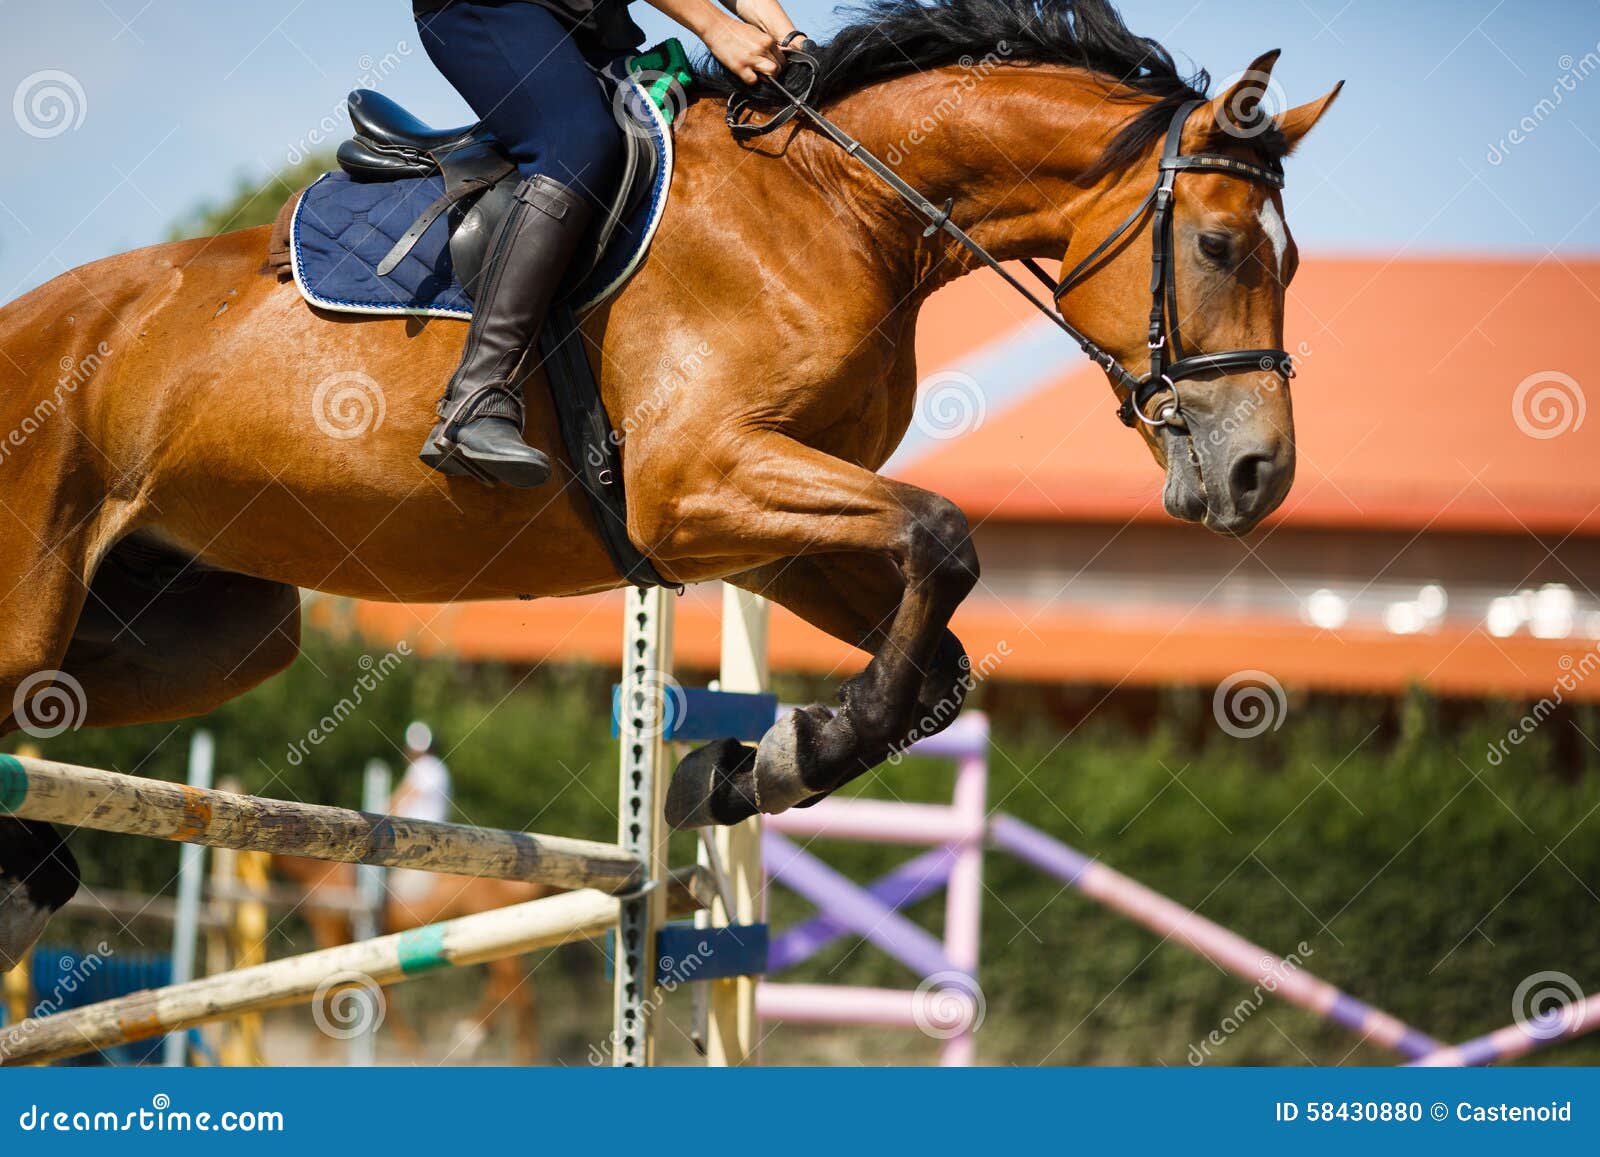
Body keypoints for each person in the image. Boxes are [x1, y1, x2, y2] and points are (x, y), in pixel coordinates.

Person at [413, 0, 804, 487]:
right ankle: (476, 396)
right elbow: (721, 22)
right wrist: (716, 27)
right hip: (488, 11)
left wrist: (791, 41)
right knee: (574, 143)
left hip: (589, 24)